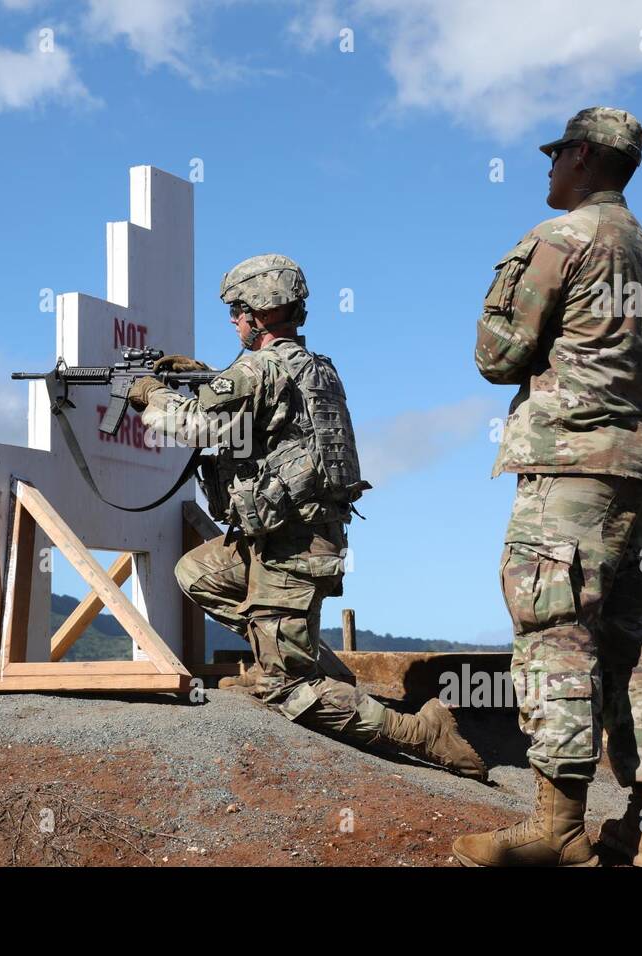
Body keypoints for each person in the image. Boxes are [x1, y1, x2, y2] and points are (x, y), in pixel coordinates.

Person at [127, 254, 486, 781]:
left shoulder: (259, 369)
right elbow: (258, 413)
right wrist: (203, 376)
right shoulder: (312, 366)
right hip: (283, 538)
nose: (233, 321)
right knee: (196, 573)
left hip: (292, 548)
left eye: (236, 311)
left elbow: (198, 426)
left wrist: (149, 395)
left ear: (258, 312)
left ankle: (420, 733)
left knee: (286, 691)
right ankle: (279, 656)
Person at [452, 108, 642, 867]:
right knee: (631, 639)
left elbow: (497, 355)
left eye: (555, 156)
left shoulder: (562, 238)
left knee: (556, 631)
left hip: (571, 467)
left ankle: (555, 828)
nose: (548, 170)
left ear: (581, 155)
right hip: (638, 468)